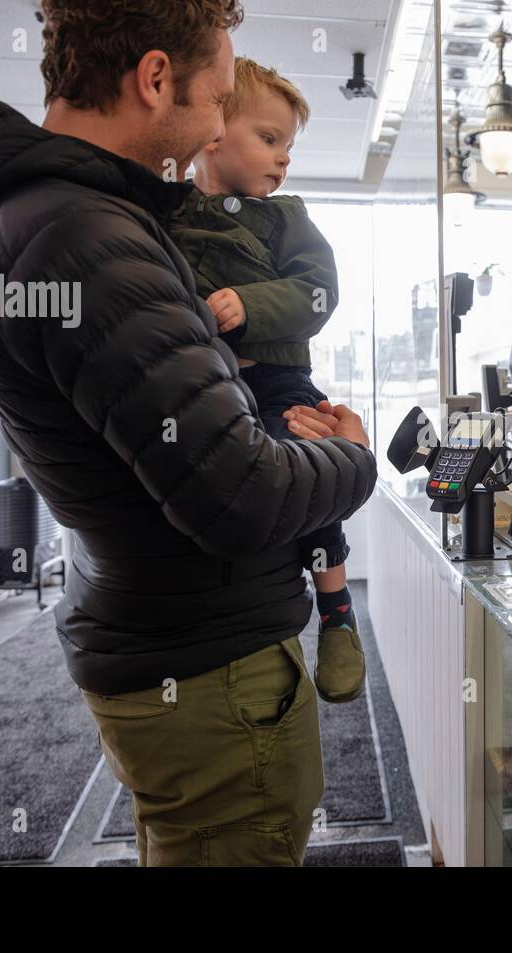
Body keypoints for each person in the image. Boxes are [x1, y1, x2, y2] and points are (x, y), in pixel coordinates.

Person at [0, 0, 376, 866]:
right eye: (217, 99)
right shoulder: (81, 235)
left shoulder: (55, 224)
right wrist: (352, 456)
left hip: (172, 642)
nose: (216, 129)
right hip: (209, 665)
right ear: (156, 79)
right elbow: (242, 496)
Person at [169, 58, 364, 705]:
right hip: (205, 386)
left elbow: (319, 291)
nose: (283, 159)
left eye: (288, 146)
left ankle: (336, 610)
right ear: (213, 130)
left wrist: (250, 304)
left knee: (308, 467)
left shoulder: (285, 218)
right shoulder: (169, 211)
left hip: (279, 381)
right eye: (269, 138)